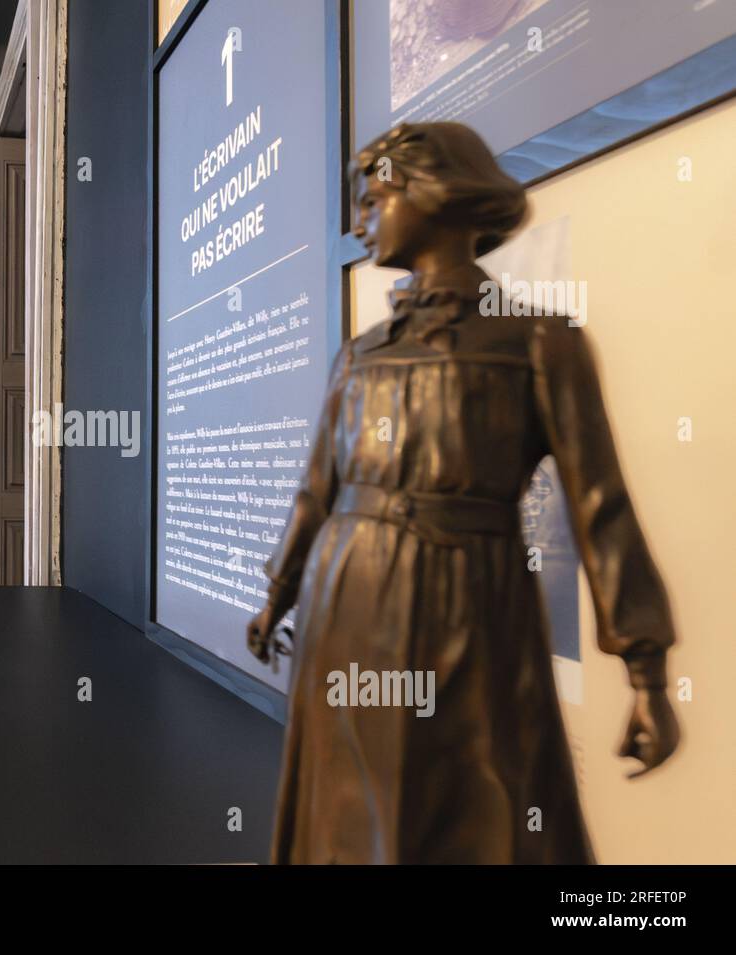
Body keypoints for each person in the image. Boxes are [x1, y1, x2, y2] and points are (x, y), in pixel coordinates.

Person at [247, 122, 678, 864]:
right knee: (349, 804)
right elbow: (317, 490)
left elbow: (600, 507)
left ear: (435, 193)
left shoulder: (539, 340)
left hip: (470, 604)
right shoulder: (359, 355)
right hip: (346, 601)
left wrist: (647, 672)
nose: (359, 223)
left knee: (477, 801)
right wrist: (278, 592)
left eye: (375, 200)